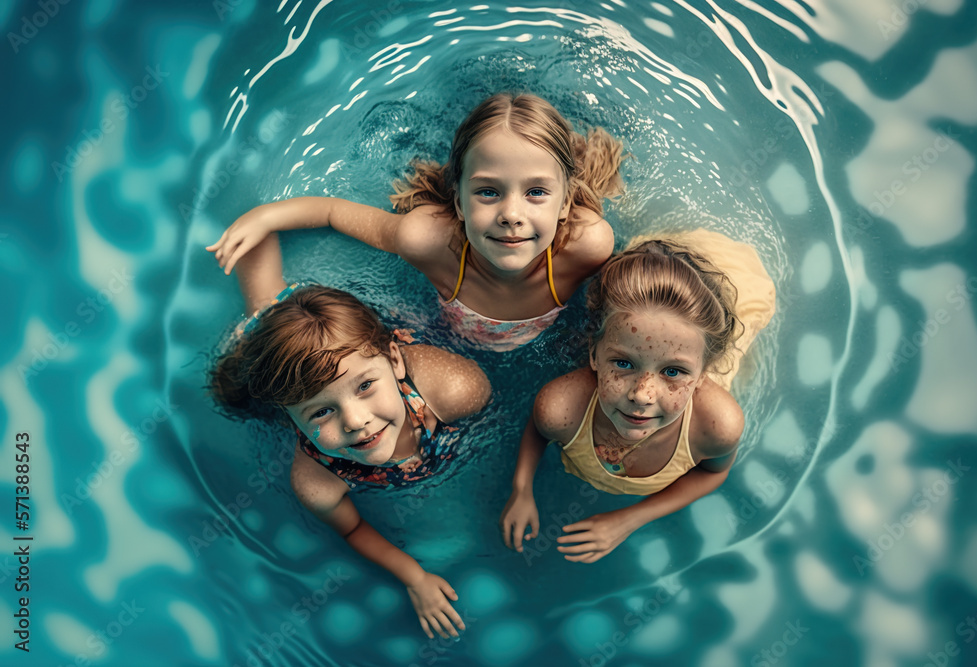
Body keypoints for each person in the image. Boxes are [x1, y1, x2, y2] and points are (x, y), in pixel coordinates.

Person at [209, 233, 491, 638]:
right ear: (289, 420)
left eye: (365, 387)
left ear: (394, 361)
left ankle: (260, 244)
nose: (357, 421)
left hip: (363, 339)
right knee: (258, 333)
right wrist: (413, 576)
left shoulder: (454, 390)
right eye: (321, 411)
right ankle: (263, 289)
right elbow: (353, 528)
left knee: (281, 319)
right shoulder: (316, 482)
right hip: (318, 354)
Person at [207, 92, 625, 350]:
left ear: (566, 203)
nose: (512, 215)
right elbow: (335, 213)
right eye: (487, 192)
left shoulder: (586, 246)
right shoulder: (427, 238)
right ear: (458, 201)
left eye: (536, 193)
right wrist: (265, 216)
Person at [499, 229, 775, 562]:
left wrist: (628, 520)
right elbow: (538, 429)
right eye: (624, 363)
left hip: (738, 285)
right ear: (594, 355)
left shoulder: (717, 425)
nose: (642, 395)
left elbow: (713, 472)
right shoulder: (560, 408)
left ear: (702, 375)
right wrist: (521, 489)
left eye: (673, 372)